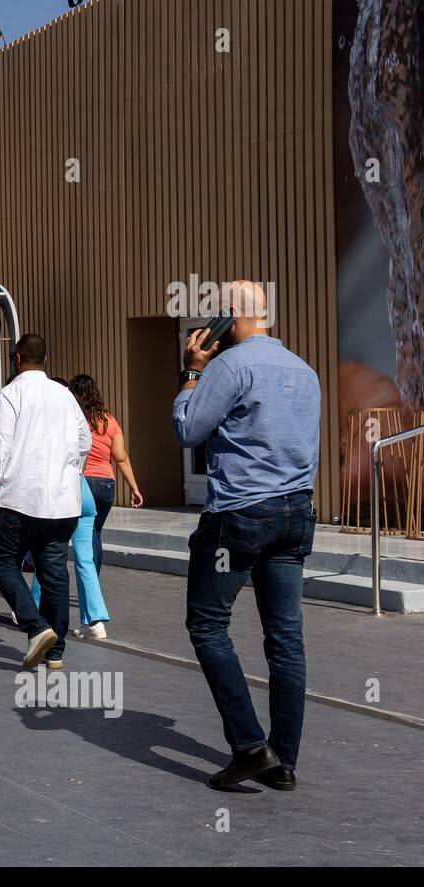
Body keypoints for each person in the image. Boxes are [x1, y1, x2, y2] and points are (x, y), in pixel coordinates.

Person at [173, 280, 320, 792]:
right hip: (295, 512)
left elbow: (189, 431)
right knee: (285, 639)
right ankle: (285, 762)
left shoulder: (229, 367)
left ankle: (250, 746)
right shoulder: (305, 371)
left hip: (239, 515)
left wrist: (192, 372)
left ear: (232, 316)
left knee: (208, 626)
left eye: (217, 312)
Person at [0, 334, 91, 670]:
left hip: (20, 500)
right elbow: (84, 440)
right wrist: (66, 470)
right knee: (54, 571)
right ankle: (55, 654)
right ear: (46, 358)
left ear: (16, 359)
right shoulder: (65, 395)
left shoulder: (10, 395)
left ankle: (36, 627)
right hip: (62, 503)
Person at [28, 379, 109, 646]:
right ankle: (95, 621)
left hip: (63, 495)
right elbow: (84, 447)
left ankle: (31, 608)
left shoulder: (47, 425)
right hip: (82, 489)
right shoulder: (78, 419)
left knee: (49, 553)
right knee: (85, 561)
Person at [70, 374, 143, 585]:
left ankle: (90, 586)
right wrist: (134, 488)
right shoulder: (109, 421)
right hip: (107, 484)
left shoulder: (75, 419)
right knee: (96, 533)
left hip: (84, 483)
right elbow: (121, 457)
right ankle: (95, 584)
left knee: (86, 535)